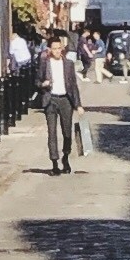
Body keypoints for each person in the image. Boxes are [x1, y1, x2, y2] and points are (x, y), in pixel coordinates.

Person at [36, 28, 83, 173]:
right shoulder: (44, 63)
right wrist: (43, 84)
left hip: (65, 100)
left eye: (59, 48)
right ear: (49, 50)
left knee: (67, 132)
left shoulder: (68, 64)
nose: (57, 51)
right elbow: (37, 81)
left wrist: (78, 105)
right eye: (54, 49)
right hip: (50, 99)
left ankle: (66, 157)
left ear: (62, 48)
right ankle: (54, 163)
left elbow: (73, 85)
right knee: (52, 132)